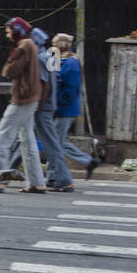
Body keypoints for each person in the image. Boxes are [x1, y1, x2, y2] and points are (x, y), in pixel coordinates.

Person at [0, 17, 45, 193]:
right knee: (27, 141)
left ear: (16, 31)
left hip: (22, 99)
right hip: (32, 98)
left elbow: (9, 71)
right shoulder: (31, 45)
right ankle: (37, 182)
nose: (7, 36)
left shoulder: (22, 47)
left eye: (8, 32)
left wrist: (11, 57)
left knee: (1, 140)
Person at [48, 33, 99, 189]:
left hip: (65, 109)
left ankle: (55, 176)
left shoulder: (71, 63)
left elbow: (72, 89)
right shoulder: (57, 59)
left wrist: (57, 102)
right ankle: (85, 163)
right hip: (57, 108)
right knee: (57, 142)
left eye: (54, 44)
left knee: (55, 143)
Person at [31, 27, 69, 191]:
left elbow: (45, 84)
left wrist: (39, 104)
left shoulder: (40, 58)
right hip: (50, 104)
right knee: (48, 142)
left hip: (44, 106)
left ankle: (63, 178)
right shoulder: (50, 56)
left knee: (51, 144)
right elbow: (56, 79)